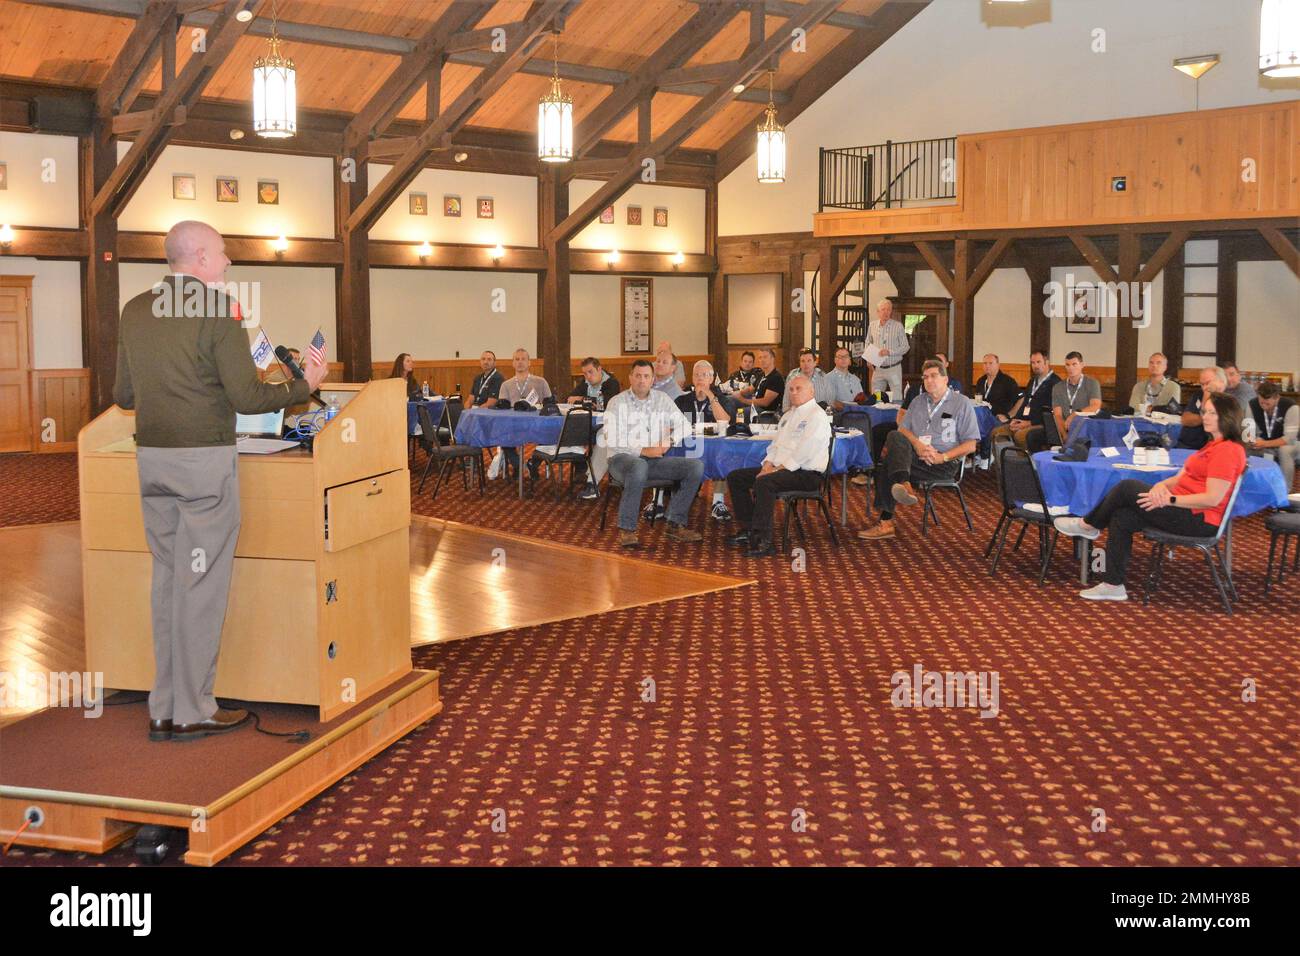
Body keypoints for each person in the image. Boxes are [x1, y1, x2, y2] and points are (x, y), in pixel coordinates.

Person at [113, 220, 326, 742]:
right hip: (202, 463)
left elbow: (123, 395)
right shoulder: (220, 310)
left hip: (152, 461)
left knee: (167, 580)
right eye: (225, 253)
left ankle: (163, 705)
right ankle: (194, 709)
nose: (229, 263)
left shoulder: (135, 309)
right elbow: (249, 400)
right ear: (202, 258)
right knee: (201, 586)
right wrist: (306, 385)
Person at [1055, 392, 1247, 602]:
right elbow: (1180, 477)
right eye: (1205, 412)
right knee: (1122, 516)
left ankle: (1088, 524)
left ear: (1227, 417)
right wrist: (1160, 486)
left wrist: (1169, 500)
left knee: (1127, 487)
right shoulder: (1212, 445)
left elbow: (1212, 499)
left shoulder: (1228, 451)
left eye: (1213, 413)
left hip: (1198, 518)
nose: (1206, 417)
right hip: (1182, 508)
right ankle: (1113, 585)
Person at [858, 359, 980, 541]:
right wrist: (917, 445)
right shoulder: (918, 401)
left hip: (944, 463)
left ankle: (887, 522)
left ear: (945, 379)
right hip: (916, 458)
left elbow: (971, 445)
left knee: (887, 465)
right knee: (894, 435)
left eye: (934, 376)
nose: (929, 380)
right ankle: (903, 483)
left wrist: (942, 457)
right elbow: (903, 429)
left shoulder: (961, 403)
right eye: (925, 377)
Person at [599, 360, 705, 549]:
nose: (642, 380)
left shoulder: (662, 399)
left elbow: (685, 425)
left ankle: (674, 523)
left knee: (695, 467)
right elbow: (613, 438)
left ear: (653, 379)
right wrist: (643, 450)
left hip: (654, 460)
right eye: (638, 376)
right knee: (639, 465)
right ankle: (627, 529)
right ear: (630, 378)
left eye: (646, 376)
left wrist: (668, 443)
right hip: (621, 459)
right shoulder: (617, 402)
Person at [725, 375, 831, 557]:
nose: (794, 392)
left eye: (799, 389)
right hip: (780, 469)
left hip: (806, 474)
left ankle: (763, 541)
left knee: (765, 483)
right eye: (791, 389)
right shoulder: (788, 415)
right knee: (736, 478)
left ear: (811, 391)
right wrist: (767, 464)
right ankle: (750, 528)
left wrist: (774, 470)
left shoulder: (817, 416)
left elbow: (803, 453)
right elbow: (776, 446)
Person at [675, 360, 732, 521]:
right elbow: (670, 424)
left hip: (713, 449)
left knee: (723, 454)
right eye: (697, 375)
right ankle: (657, 501)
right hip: (688, 447)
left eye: (704, 375)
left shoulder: (720, 398)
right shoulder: (682, 400)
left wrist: (710, 395)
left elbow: (725, 421)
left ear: (712, 379)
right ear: (692, 378)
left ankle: (718, 502)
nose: (700, 378)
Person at [497, 348, 552, 478]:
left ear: (529, 362)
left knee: (551, 433)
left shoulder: (541, 381)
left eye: (523, 359)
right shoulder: (506, 384)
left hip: (536, 424)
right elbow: (503, 408)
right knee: (501, 435)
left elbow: (550, 404)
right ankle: (518, 465)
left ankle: (533, 463)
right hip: (513, 424)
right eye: (517, 359)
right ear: (512, 363)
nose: (520, 362)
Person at [990, 350, 1059, 451]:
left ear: (1046, 362)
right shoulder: (1033, 381)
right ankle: (1005, 464)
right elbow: (1025, 402)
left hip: (1040, 424)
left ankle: (1026, 465)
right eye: (1033, 363)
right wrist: (1015, 420)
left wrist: (1029, 423)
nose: (1035, 365)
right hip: (1024, 420)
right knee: (996, 432)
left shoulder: (1055, 383)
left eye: (1038, 362)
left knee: (1020, 436)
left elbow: (1050, 412)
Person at [1249, 381, 1299, 490]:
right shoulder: (1252, 404)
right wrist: (1253, 440)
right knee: (1242, 449)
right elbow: (1247, 432)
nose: (1263, 406)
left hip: (1293, 445)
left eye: (1267, 403)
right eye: (1261, 402)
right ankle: (1255, 489)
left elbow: (1289, 439)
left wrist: (1265, 443)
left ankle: (1285, 491)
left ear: (1277, 398)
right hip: (1265, 444)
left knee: (1284, 450)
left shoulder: (1291, 407)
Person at [1046, 351, 1102, 449]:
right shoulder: (1058, 387)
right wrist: (1063, 435)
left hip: (1084, 427)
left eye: (1074, 364)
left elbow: (1095, 406)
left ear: (1082, 365)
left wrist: (1075, 414)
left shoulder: (1092, 383)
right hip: (1063, 427)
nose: (1071, 368)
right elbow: (1057, 415)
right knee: (1033, 436)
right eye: (1067, 365)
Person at [864, 298, 909, 399]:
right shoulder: (872, 325)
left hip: (894, 368)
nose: (886, 312)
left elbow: (906, 347)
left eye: (888, 309)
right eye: (883, 309)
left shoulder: (898, 326)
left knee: (896, 396)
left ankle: (895, 414)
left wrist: (889, 352)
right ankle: (877, 412)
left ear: (891, 311)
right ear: (878, 312)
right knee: (876, 396)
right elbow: (867, 342)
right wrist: (869, 359)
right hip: (878, 369)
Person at [1177, 366, 1227, 451]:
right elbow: (1185, 419)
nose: (1204, 388)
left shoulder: (1227, 400)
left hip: (1209, 449)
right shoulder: (1199, 394)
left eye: (1207, 383)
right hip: (1185, 445)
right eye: (1202, 384)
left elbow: (1216, 425)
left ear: (1221, 381)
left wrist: (1205, 402)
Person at [735, 347, 784, 416]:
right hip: (755, 405)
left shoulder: (776, 377)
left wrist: (743, 400)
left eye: (765, 357)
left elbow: (765, 402)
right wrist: (738, 393)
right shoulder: (761, 374)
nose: (762, 360)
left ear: (772, 359)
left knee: (739, 413)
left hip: (764, 411)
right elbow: (750, 389)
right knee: (729, 400)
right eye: (760, 358)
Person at [972, 353, 1020, 419]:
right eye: (985, 363)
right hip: (981, 416)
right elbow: (976, 400)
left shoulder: (1007, 381)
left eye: (990, 363)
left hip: (998, 418)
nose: (987, 366)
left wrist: (1008, 416)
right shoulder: (981, 381)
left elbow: (1021, 399)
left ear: (998, 365)